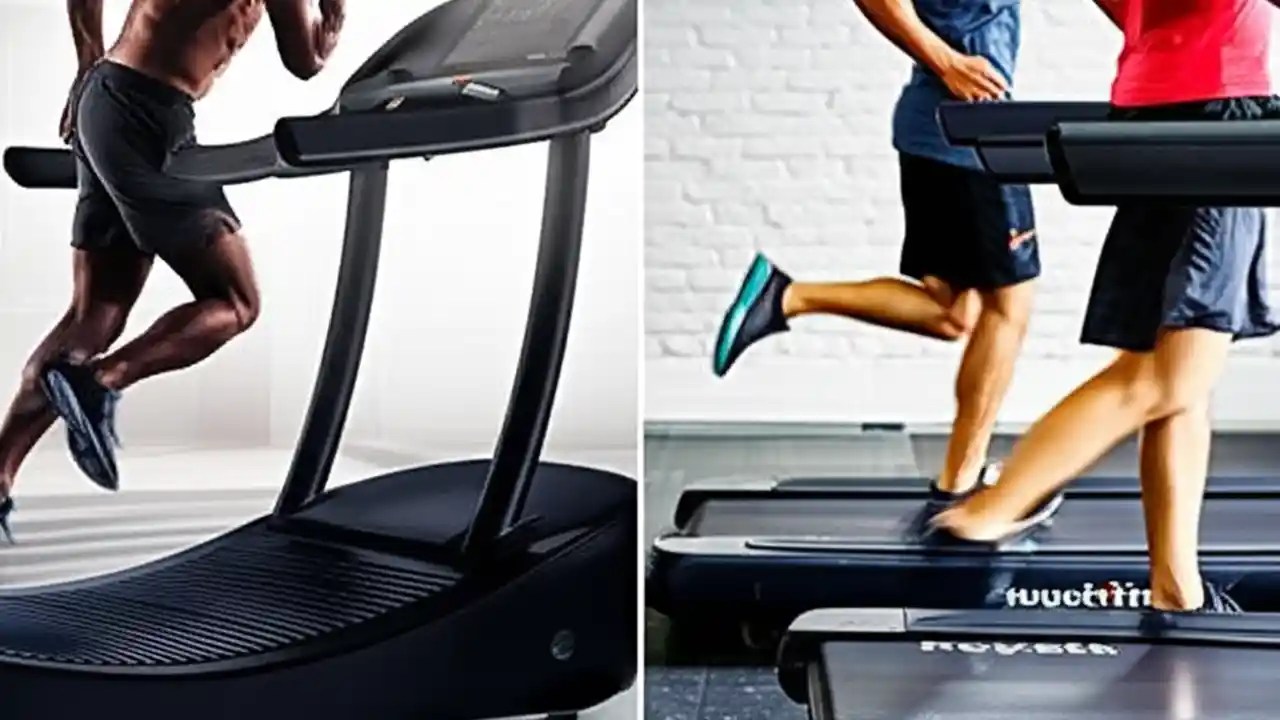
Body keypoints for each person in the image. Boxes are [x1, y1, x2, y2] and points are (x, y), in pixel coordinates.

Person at [933, 0, 1280, 614]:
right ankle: (990, 511)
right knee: (1176, 374)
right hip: (1215, 114)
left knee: (1175, 374)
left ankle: (1176, 589)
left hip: (1155, 107)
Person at [0, 0, 346, 544]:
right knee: (235, 302)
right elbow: (306, 60)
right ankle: (98, 381)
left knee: (94, 317)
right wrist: (335, 17)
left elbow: (295, 56)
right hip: (146, 115)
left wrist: (89, 60)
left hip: (112, 98)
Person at [711, 0, 1062, 532]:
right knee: (1010, 305)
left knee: (954, 314)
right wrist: (946, 61)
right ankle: (960, 486)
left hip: (944, 132)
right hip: (967, 139)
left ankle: (787, 296)